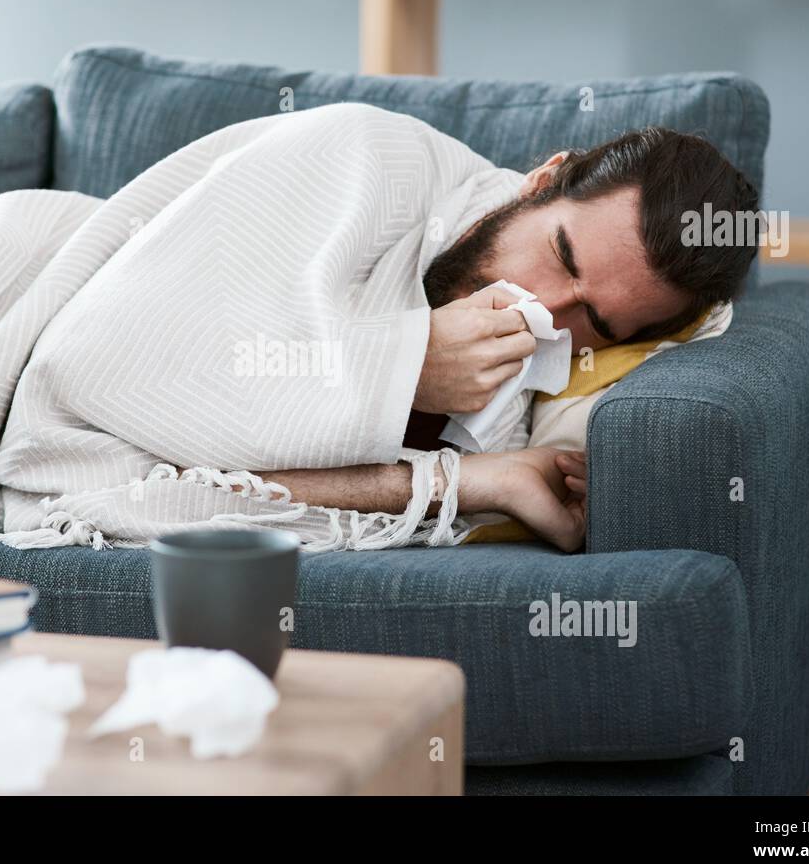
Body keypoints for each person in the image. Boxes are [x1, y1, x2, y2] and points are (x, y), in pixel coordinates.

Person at [255, 126, 760, 551]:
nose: (539, 304)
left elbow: (236, 492)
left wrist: (480, 480)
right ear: (542, 182)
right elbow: (181, 455)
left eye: (596, 322)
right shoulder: (371, 164)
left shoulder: (506, 422)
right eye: (562, 254)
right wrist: (404, 367)